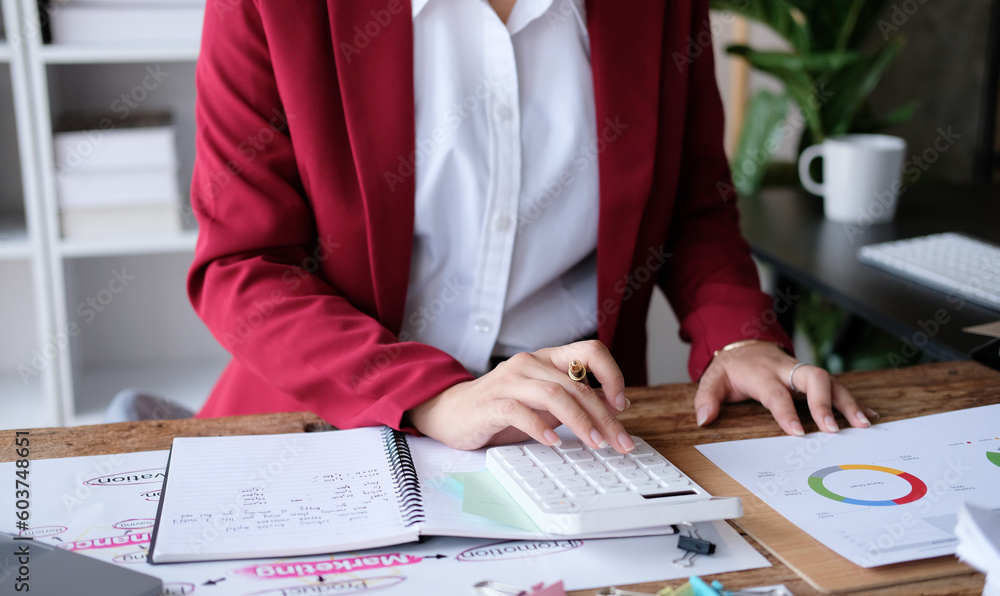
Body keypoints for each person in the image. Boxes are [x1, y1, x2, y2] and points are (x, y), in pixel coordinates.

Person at [188, 0, 875, 453]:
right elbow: (243, 265)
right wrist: (431, 393)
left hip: (572, 420)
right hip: (338, 415)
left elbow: (694, 205)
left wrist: (736, 338)